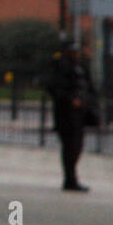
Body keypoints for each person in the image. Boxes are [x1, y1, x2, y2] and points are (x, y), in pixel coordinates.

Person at [43, 40, 98, 192]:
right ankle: (70, 179)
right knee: (70, 147)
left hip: (81, 114)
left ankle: (72, 177)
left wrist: (88, 101)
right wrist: (70, 99)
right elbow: (54, 88)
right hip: (66, 114)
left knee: (77, 146)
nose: (76, 54)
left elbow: (89, 87)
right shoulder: (60, 67)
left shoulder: (81, 67)